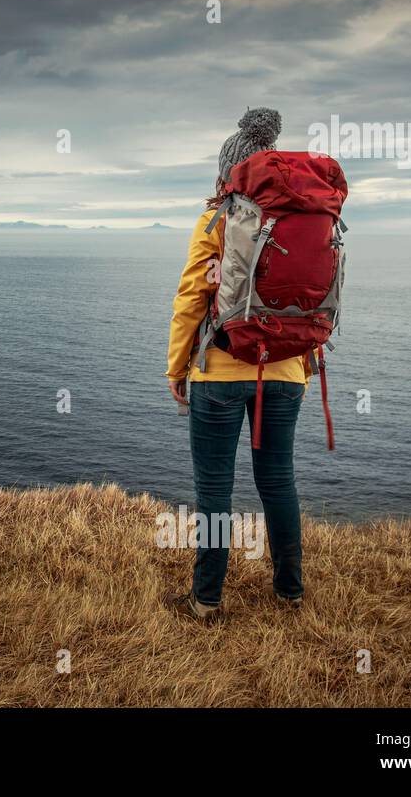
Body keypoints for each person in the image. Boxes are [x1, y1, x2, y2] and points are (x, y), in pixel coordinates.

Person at [165, 107, 307, 622]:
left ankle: (206, 599)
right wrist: (304, 368)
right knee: (278, 481)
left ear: (226, 172)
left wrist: (176, 370)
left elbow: (189, 301)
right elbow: (307, 300)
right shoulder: (299, 222)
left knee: (214, 490)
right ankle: (290, 591)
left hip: (220, 373)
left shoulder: (216, 220)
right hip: (286, 372)